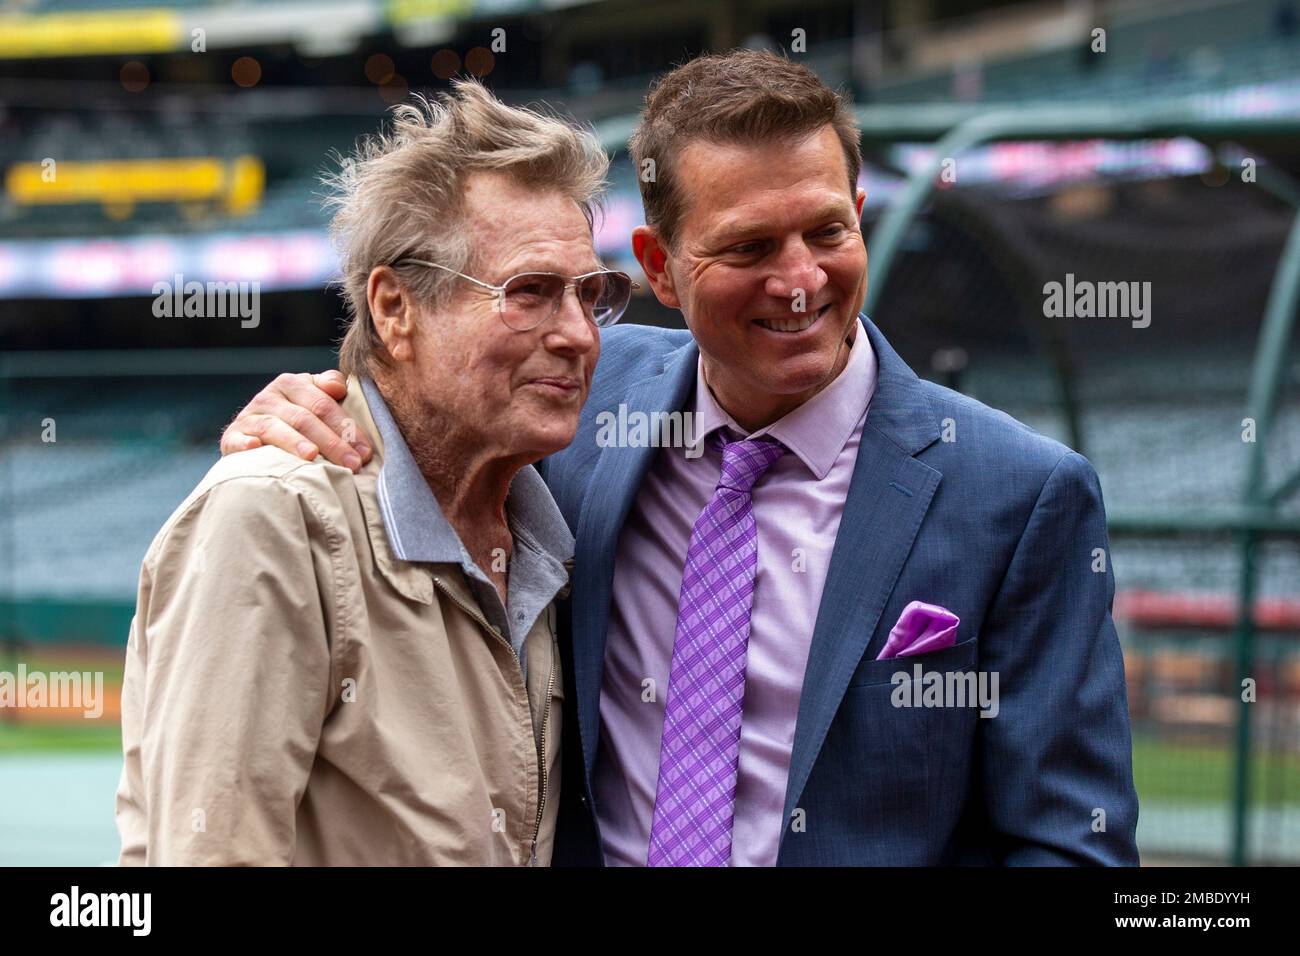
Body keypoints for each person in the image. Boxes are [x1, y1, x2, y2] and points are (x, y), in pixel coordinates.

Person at [220, 51, 1139, 866]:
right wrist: (323, 402)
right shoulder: (576, 404)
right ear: (658, 267)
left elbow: (1072, 845)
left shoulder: (1020, 495)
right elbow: (425, 381)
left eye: (827, 231)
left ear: (860, 216)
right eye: (748, 247)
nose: (800, 279)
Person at [116, 79, 632, 865]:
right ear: (394, 309)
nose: (578, 335)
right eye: (529, 293)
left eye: (589, 295)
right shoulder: (271, 519)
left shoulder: (539, 521)